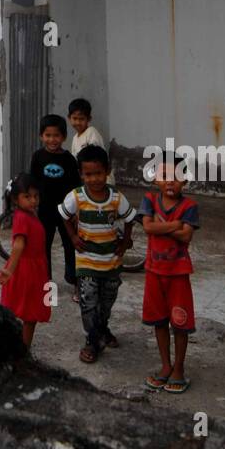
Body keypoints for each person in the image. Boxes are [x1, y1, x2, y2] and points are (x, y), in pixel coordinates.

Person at [59, 144, 136, 363]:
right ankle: (92, 342)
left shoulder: (116, 198)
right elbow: (64, 215)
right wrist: (73, 237)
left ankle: (102, 329)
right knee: (88, 302)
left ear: (108, 171)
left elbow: (130, 219)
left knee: (107, 301)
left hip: (111, 262)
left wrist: (125, 242)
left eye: (98, 173)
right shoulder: (77, 197)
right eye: (88, 174)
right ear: (81, 174)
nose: (94, 179)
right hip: (86, 261)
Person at [138, 161, 200, 394]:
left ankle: (179, 369)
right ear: (155, 180)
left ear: (185, 180)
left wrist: (161, 224)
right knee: (159, 321)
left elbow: (186, 237)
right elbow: (147, 228)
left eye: (176, 176)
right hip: (154, 272)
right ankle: (165, 366)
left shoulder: (190, 206)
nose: (170, 180)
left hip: (178, 274)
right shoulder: (149, 200)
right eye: (164, 175)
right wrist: (176, 224)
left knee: (180, 323)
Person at [0, 174, 51, 348]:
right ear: (15, 199)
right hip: (26, 270)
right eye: (27, 196)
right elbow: (19, 245)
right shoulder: (21, 217)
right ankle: (22, 350)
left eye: (36, 196)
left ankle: (21, 347)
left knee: (28, 313)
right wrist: (10, 270)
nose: (33, 200)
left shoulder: (30, 214)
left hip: (36, 268)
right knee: (29, 313)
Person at [29, 114, 79, 302]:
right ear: (41, 136)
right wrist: (32, 207)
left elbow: (76, 187)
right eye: (47, 135)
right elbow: (32, 184)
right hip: (44, 211)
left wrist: (76, 211)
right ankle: (46, 283)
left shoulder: (69, 160)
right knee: (43, 247)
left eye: (56, 135)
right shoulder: (37, 157)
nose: (52, 140)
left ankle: (76, 282)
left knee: (70, 245)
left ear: (64, 137)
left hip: (66, 212)